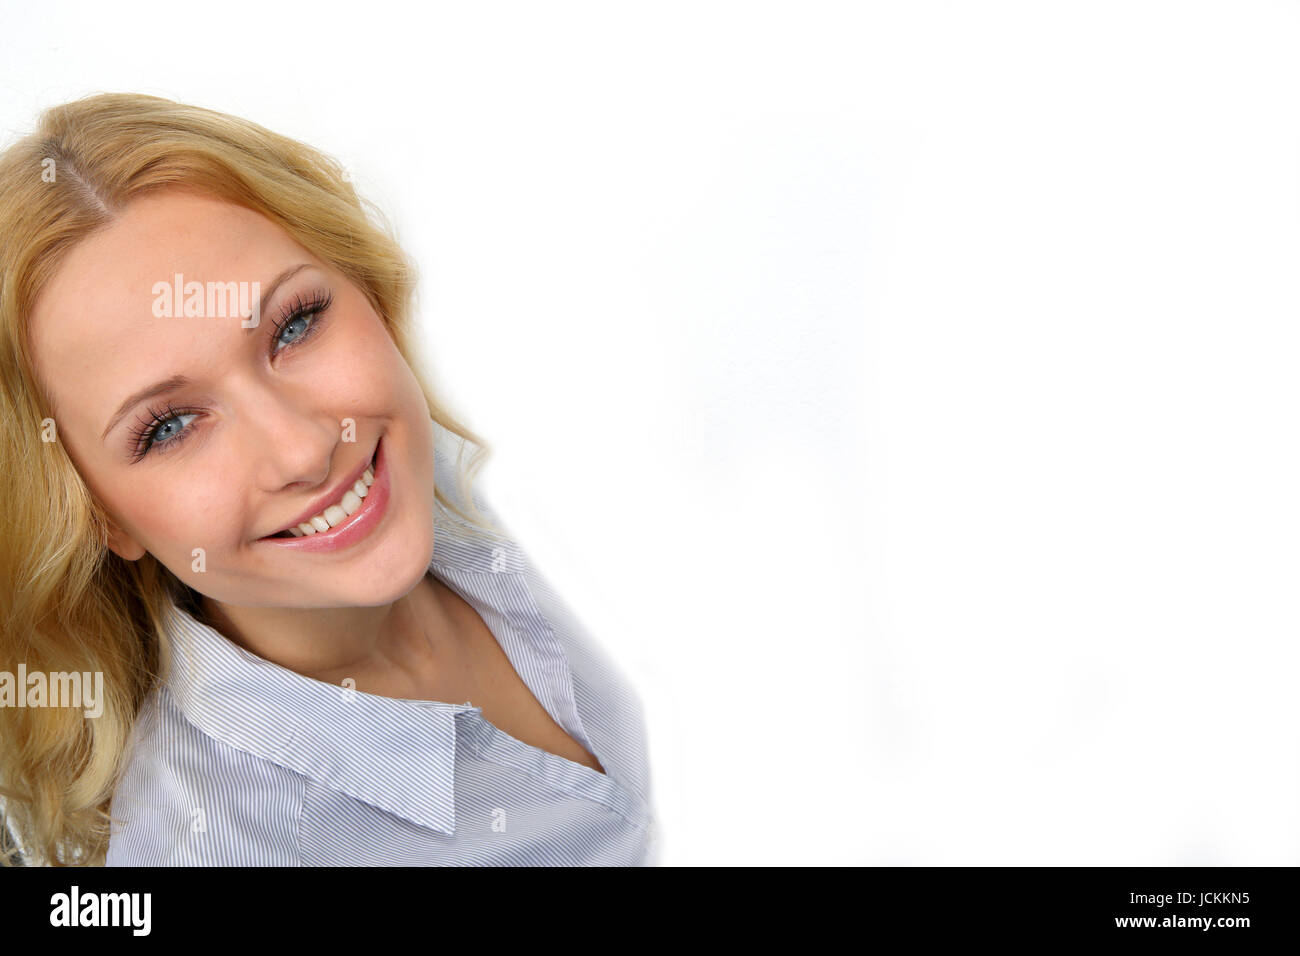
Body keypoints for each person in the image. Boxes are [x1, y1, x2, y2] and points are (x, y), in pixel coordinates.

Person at [0, 92, 656, 865]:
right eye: (169, 426)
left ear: (370, 291)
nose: (305, 450)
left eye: (294, 325)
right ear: (102, 519)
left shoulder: (549, 471)